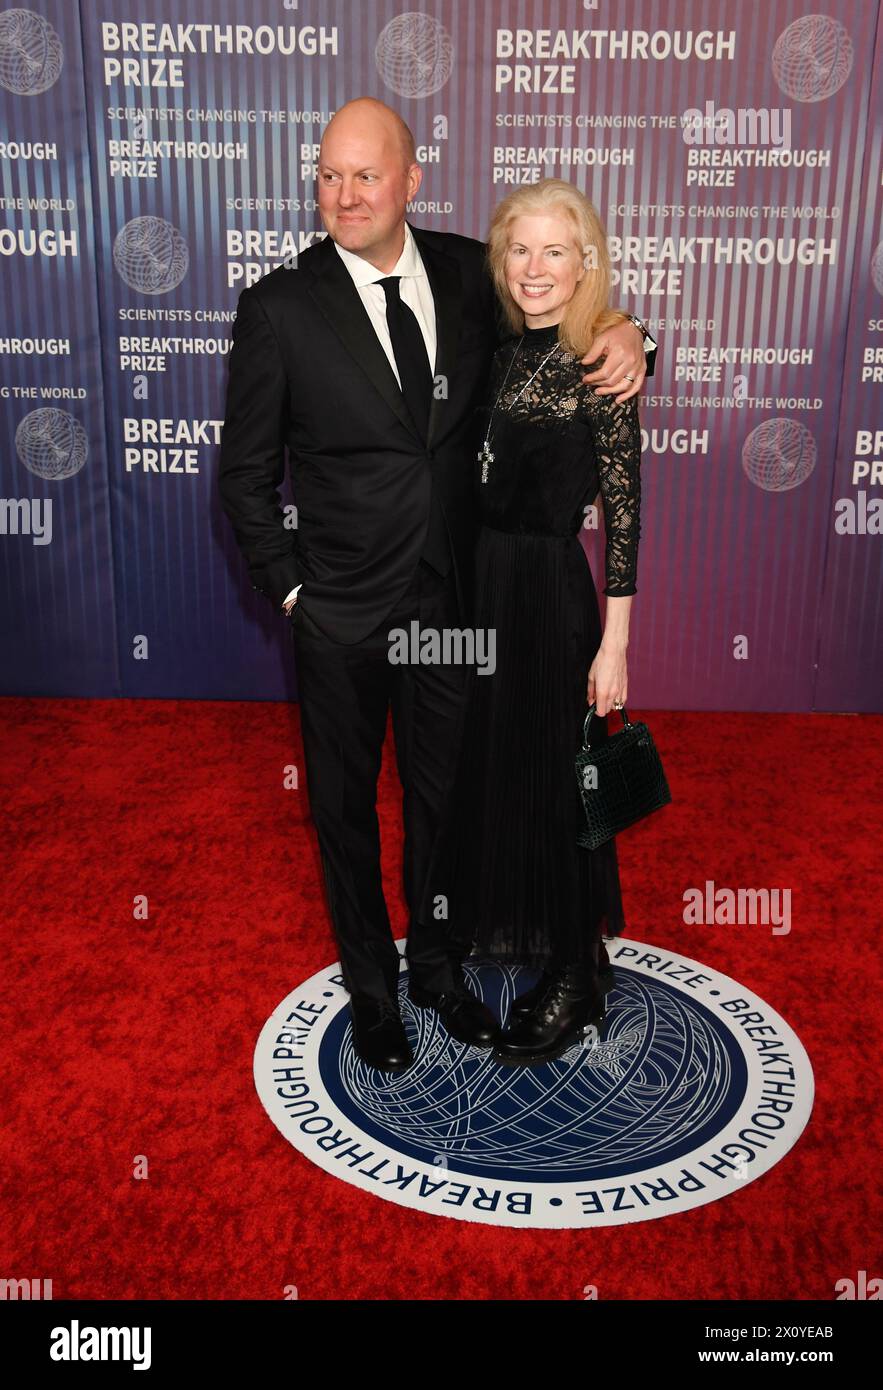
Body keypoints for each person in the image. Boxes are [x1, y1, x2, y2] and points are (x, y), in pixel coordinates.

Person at [218, 99, 655, 1074]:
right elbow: (242, 480)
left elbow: (565, 312)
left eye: (366, 175)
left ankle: (440, 968)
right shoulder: (278, 308)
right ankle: (372, 991)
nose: (345, 194)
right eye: (329, 175)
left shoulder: (467, 274)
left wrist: (632, 331)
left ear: (410, 181)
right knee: (340, 808)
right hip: (337, 616)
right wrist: (294, 596)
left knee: (442, 800)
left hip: (454, 611)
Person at [422, 179, 642, 1066]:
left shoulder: (601, 360)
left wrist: (614, 646)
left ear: (585, 260)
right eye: (519, 250)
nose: (534, 268)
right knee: (495, 760)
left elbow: (624, 516)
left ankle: (576, 971)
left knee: (562, 781)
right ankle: (513, 925)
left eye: (556, 250)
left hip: (550, 595)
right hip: (480, 591)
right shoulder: (500, 348)